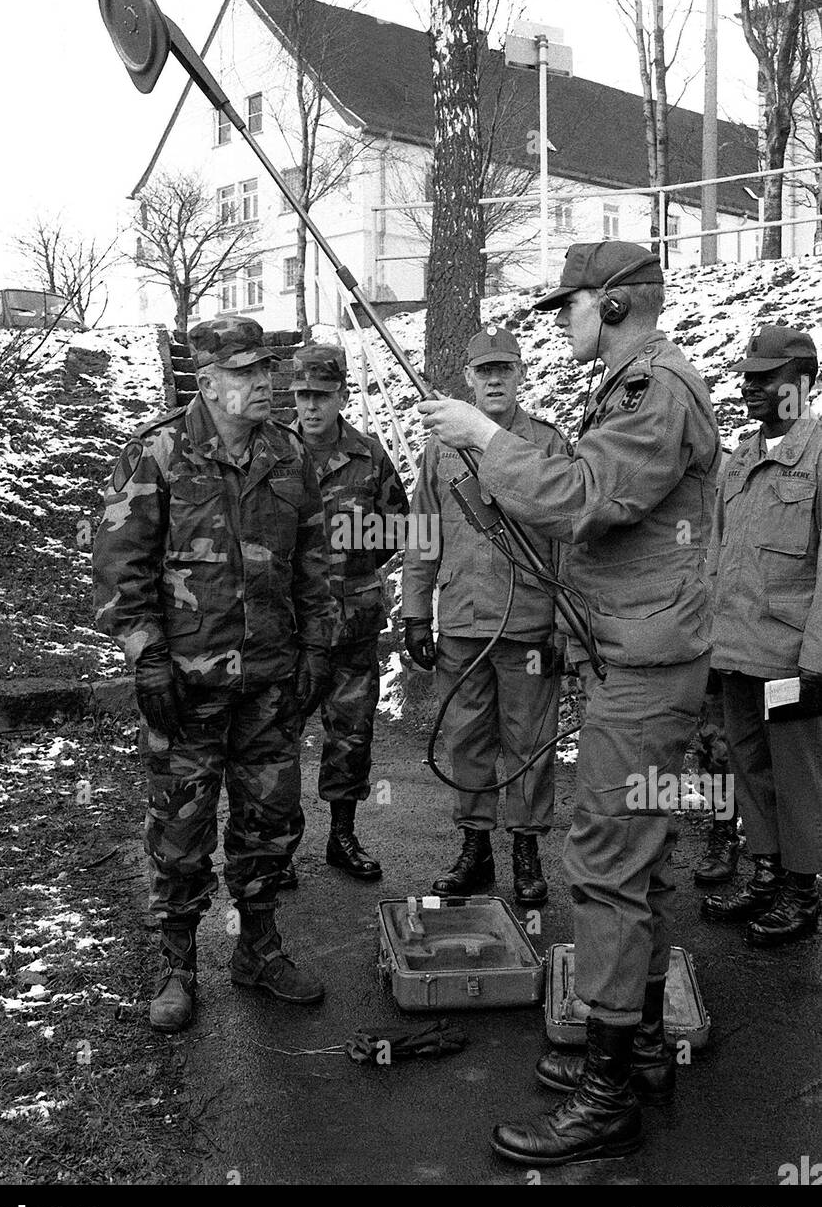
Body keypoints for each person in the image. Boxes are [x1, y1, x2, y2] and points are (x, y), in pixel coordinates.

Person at [418, 242, 721, 1166]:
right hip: (630, 658)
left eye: (572, 306)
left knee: (604, 861)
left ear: (617, 304)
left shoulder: (651, 392)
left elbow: (585, 494)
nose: (561, 322)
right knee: (627, 853)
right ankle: (629, 1056)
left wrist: (482, 436)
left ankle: (606, 1093)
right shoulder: (633, 386)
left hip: (645, 672)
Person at [92, 317, 333, 1032]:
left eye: (269, 370)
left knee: (269, 822)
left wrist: (317, 644)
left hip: (268, 681)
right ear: (209, 379)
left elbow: (313, 562)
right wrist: (147, 654)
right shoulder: (157, 452)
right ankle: (177, 964)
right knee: (181, 828)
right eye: (248, 372)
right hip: (187, 686)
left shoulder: (289, 456)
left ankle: (257, 948)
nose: (267, 383)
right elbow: (119, 565)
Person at [402, 325, 568, 905]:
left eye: (505, 369)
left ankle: (526, 850)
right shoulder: (441, 450)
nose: (495, 379)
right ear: (469, 378)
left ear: (521, 374)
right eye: (484, 371)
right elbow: (422, 534)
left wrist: (566, 629)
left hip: (528, 623)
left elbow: (570, 543)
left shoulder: (546, 447)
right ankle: (474, 849)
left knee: (529, 741)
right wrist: (416, 613)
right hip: (463, 624)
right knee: (467, 738)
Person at [701, 325, 822, 944]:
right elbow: (717, 554)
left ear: (802, 384)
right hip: (737, 650)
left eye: (765, 377)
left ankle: (803, 888)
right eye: (747, 376)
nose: (749, 387)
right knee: (748, 766)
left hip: (792, 658)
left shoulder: (820, 454)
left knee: (797, 773)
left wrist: (816, 659)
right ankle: (767, 871)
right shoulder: (742, 458)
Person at [286, 343, 409, 882]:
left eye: (322, 395)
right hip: (286, 630)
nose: (311, 406)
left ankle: (342, 836)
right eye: (302, 394)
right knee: (275, 739)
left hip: (353, 626)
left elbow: (401, 528)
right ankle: (278, 847)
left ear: (341, 395)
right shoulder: (272, 451)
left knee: (352, 735)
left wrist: (349, 557)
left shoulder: (368, 455)